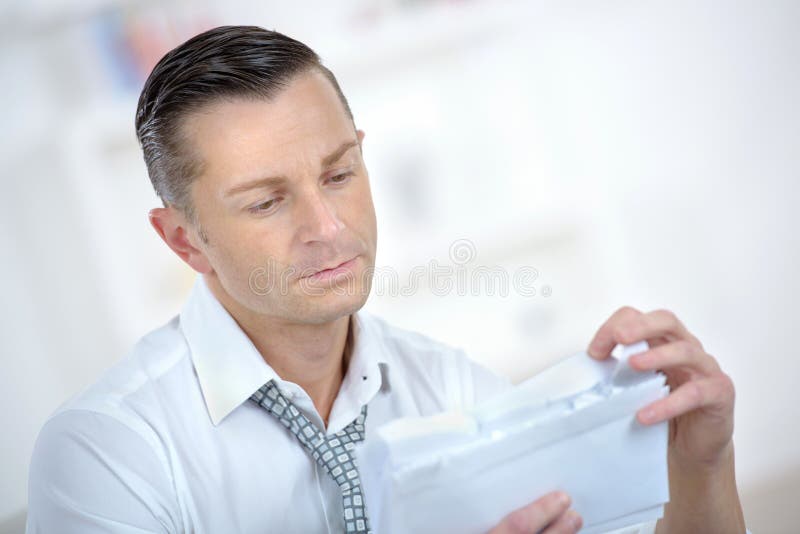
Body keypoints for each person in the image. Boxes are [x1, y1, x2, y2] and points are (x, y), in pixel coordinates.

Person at [26, 25, 749, 534]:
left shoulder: (452, 389)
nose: (329, 226)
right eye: (268, 201)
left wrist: (699, 467)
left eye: (339, 173)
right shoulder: (108, 453)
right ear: (185, 240)